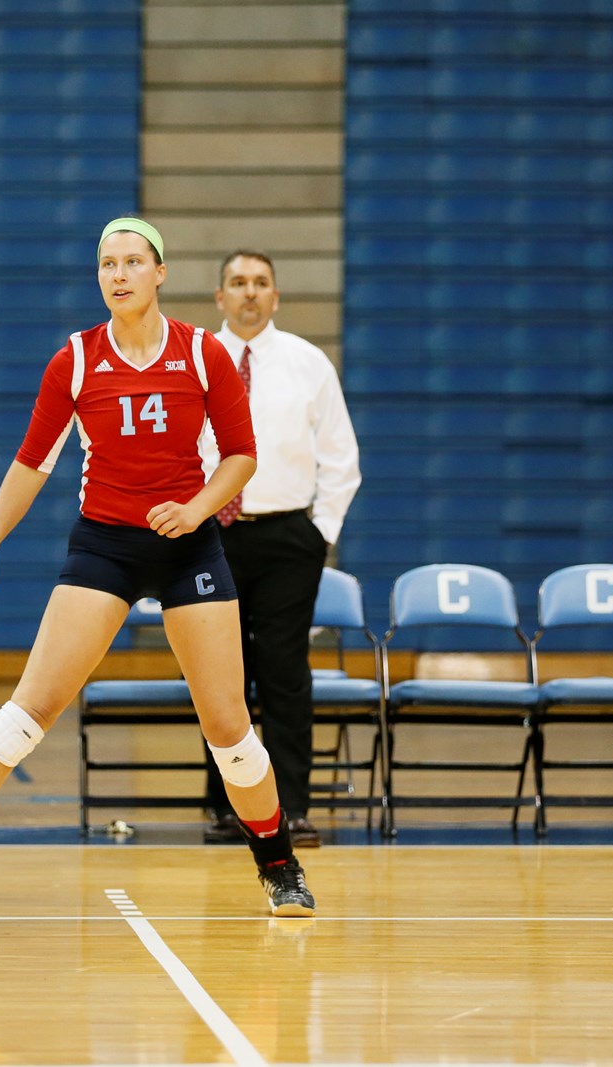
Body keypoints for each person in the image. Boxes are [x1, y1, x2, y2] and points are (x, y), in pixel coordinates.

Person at [0, 216, 316, 921]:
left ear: (160, 272)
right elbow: (31, 463)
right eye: (108, 263)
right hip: (104, 546)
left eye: (133, 262)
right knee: (30, 708)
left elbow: (241, 457)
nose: (119, 274)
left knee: (228, 723)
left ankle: (279, 866)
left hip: (187, 545)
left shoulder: (203, 354)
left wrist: (196, 509)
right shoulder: (75, 360)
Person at [198, 251, 361, 848]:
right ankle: (226, 807)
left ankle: (290, 807)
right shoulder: (194, 359)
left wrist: (322, 531)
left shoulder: (307, 363)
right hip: (210, 534)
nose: (249, 293)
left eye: (260, 283)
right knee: (221, 677)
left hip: (289, 537)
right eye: (237, 283)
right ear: (220, 296)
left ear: (276, 296)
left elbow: (341, 457)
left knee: (285, 674)